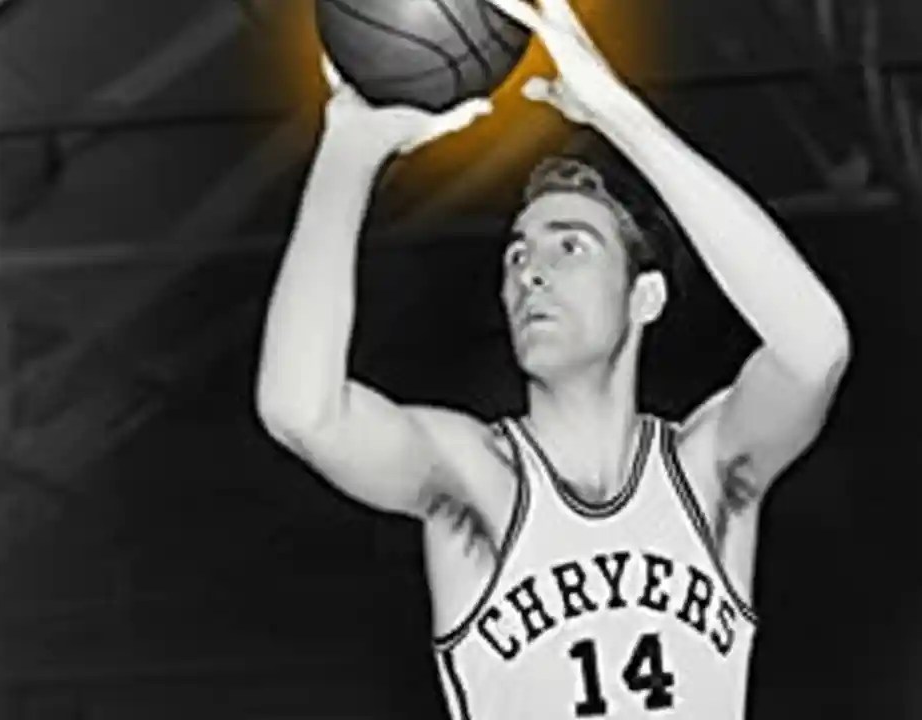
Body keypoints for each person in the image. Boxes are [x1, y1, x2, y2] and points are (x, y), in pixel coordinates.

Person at [255, 1, 851, 717]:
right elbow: (298, 409)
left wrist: (615, 112)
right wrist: (348, 152)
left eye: (569, 246)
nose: (529, 273)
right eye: (517, 254)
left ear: (645, 298)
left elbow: (816, 349)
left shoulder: (706, 473)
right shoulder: (480, 480)